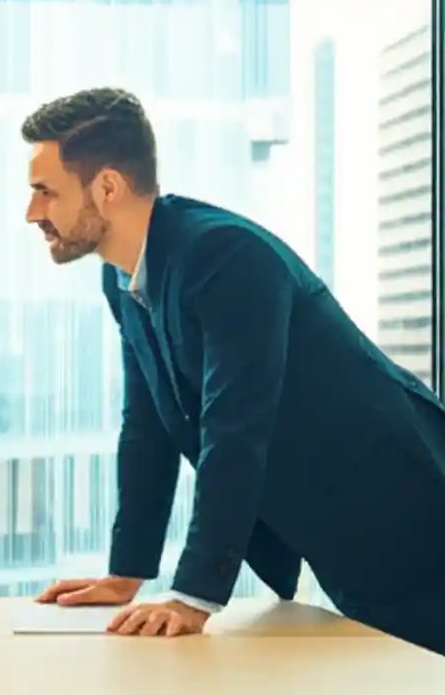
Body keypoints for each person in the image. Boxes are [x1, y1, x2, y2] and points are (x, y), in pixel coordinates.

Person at [22, 87, 445, 655]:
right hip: (340, 527)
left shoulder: (225, 255)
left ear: (108, 187)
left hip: (409, 509)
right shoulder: (123, 276)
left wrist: (193, 595)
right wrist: (127, 572)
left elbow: (236, 427)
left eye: (45, 191)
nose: (32, 213)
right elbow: (147, 427)